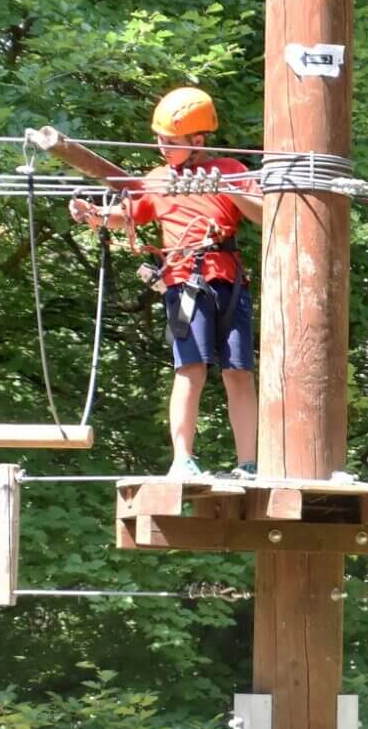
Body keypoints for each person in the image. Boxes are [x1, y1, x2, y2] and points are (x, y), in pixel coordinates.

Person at [69, 86, 263, 480]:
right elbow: (128, 216)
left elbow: (263, 212)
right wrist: (92, 214)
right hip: (183, 283)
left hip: (229, 283)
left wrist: (225, 188)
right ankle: (183, 459)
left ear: (198, 141)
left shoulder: (230, 170)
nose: (162, 147)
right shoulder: (158, 179)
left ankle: (249, 463)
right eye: (159, 139)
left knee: (239, 372)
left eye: (170, 142)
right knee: (190, 368)